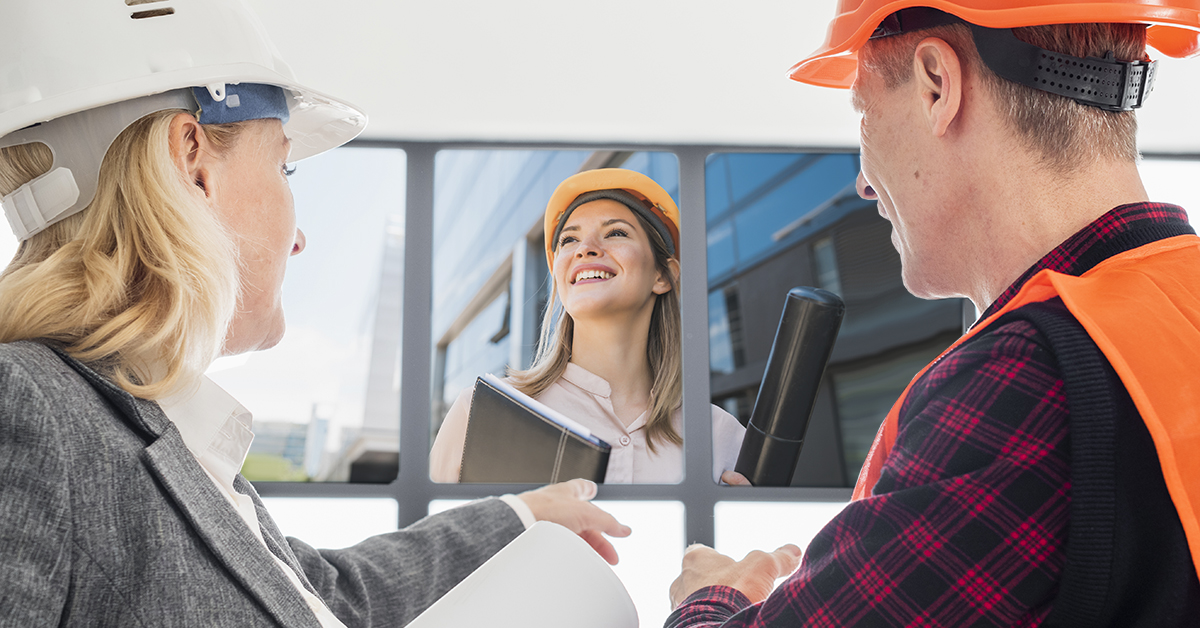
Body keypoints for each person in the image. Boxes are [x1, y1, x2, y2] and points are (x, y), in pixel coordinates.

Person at [0, 1, 627, 626]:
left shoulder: (169, 438)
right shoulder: (24, 407)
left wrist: (524, 515)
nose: (299, 240)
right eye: (283, 165)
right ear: (193, 160)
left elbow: (327, 593)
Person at [667, 0, 1200, 625]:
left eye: (864, 116)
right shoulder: (1170, 304)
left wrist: (710, 597)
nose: (864, 184)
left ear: (936, 85)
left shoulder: (1029, 382)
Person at [430, 168, 746, 484]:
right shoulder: (481, 414)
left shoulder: (723, 439)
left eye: (616, 233)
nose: (586, 248)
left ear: (662, 276)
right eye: (569, 239)